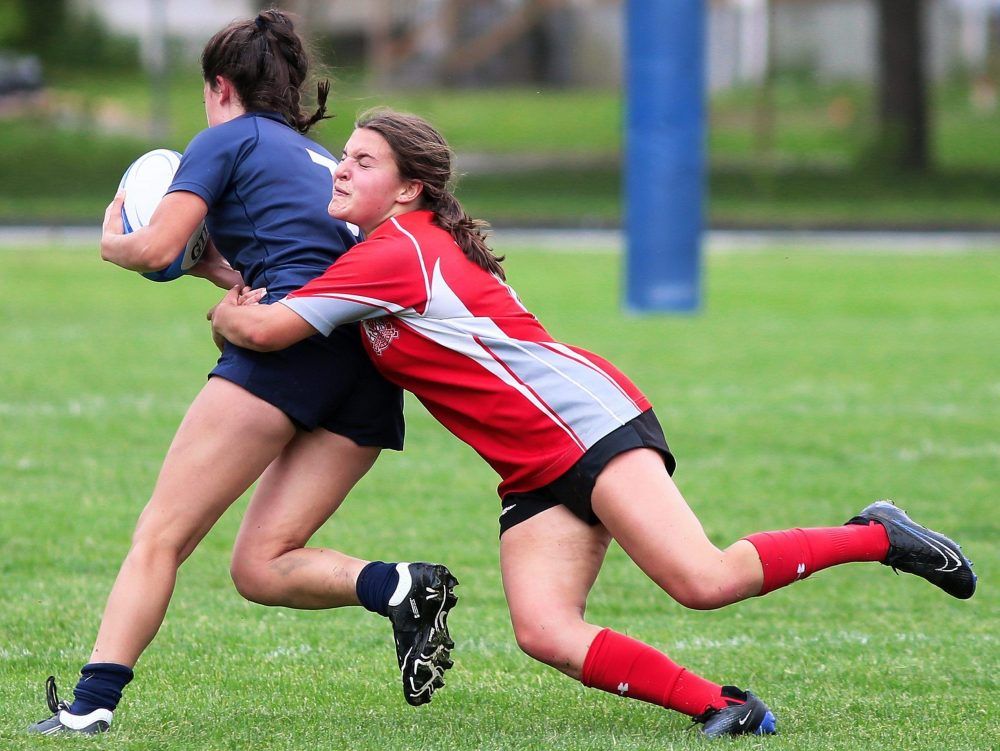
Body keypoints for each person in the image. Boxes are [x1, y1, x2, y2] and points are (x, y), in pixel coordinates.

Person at [209, 108, 978, 738]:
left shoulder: (401, 250)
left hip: (584, 424)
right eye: (343, 154)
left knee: (703, 580)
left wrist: (222, 306)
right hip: (533, 466)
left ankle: (878, 533)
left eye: (364, 160)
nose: (341, 168)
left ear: (410, 188)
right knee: (544, 630)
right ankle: (723, 704)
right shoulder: (378, 251)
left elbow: (271, 331)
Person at [28, 15, 457, 737]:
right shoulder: (319, 159)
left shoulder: (225, 138)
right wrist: (201, 265)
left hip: (288, 347)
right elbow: (250, 262)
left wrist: (115, 244)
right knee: (260, 565)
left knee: (160, 534)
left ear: (219, 86)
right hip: (369, 364)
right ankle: (397, 584)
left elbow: (158, 245)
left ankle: (88, 706)